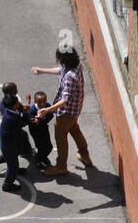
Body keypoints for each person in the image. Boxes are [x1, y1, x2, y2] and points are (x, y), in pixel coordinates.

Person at [33, 47, 93, 175]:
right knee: (75, 130)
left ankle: (61, 166)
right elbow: (61, 70)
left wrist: (47, 110)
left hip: (66, 112)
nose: (58, 61)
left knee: (60, 138)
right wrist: (42, 70)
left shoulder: (70, 77)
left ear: (64, 59)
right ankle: (85, 155)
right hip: (74, 111)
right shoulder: (76, 66)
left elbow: (65, 100)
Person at [0, 83, 33, 192]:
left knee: (13, 154)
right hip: (9, 140)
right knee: (12, 164)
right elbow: (23, 121)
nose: (19, 103)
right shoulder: (12, 118)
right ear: (14, 106)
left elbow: (20, 110)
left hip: (13, 136)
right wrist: (27, 108)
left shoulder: (9, 107)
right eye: (18, 103)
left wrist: (24, 108)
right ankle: (7, 185)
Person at [27, 90, 54, 168]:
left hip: (44, 129)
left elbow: (51, 115)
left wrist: (44, 118)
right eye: (40, 102)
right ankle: (38, 160)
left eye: (44, 101)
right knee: (40, 147)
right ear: (35, 101)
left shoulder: (47, 106)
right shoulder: (32, 111)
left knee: (49, 147)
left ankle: (42, 157)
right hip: (36, 132)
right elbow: (29, 120)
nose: (42, 104)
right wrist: (35, 120)